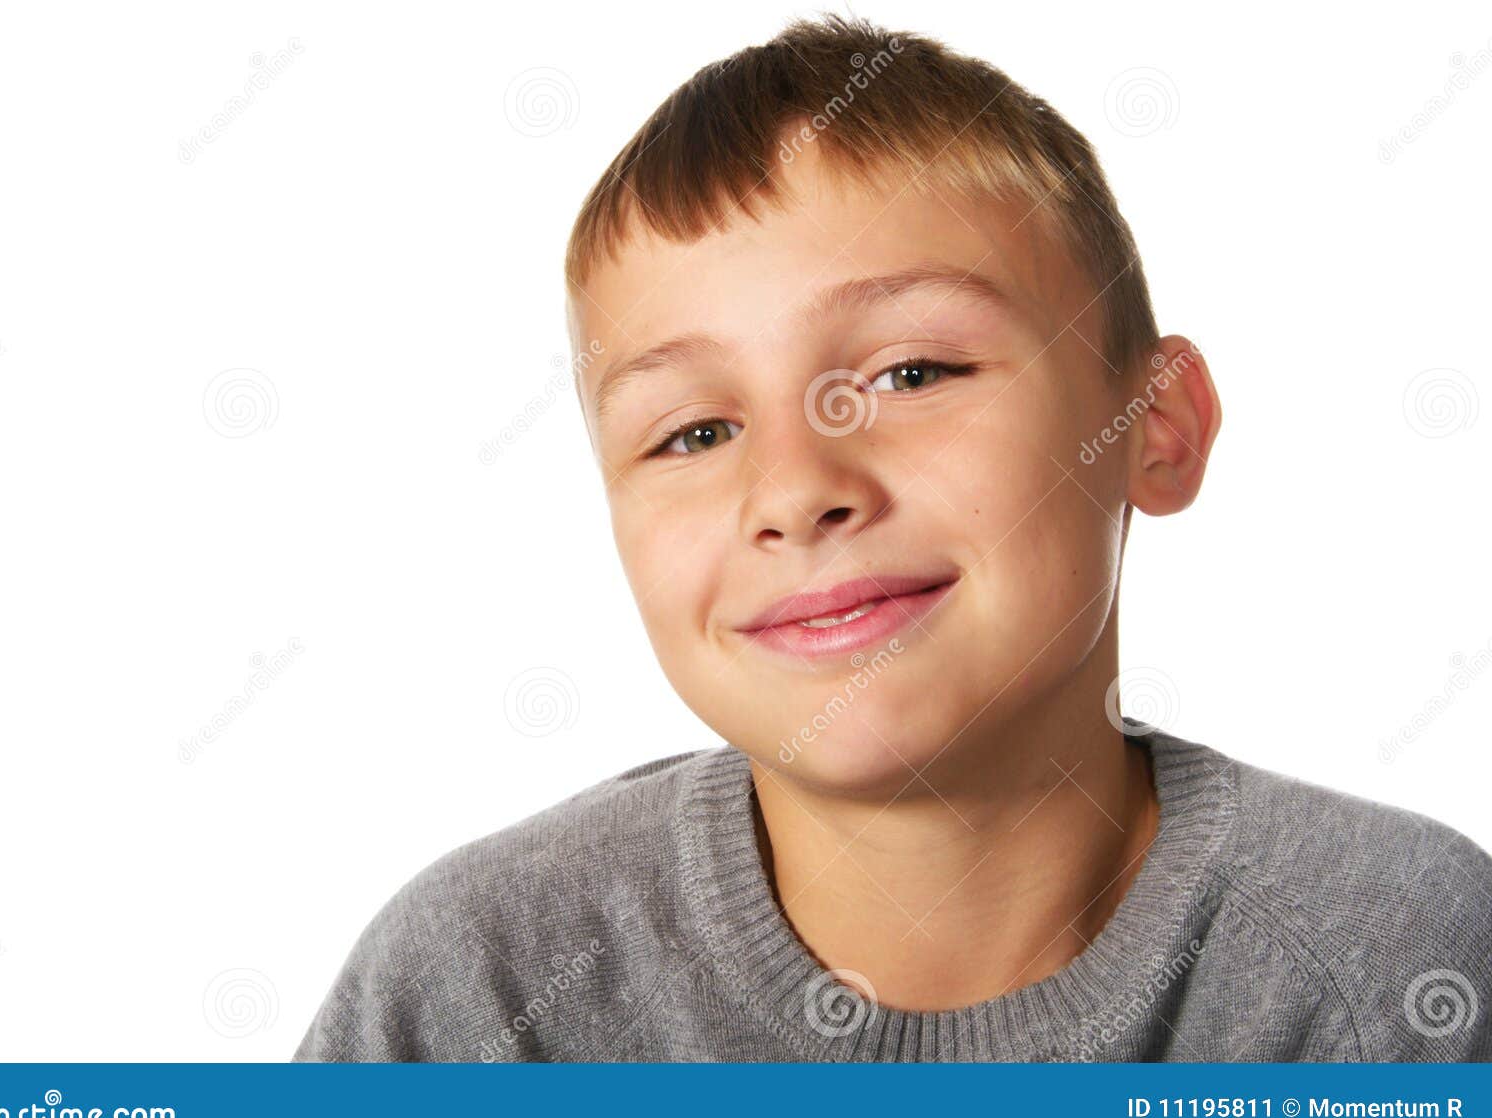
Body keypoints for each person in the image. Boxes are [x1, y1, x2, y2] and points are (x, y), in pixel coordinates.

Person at [294, 13, 1492, 1062]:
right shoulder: (477, 987)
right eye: (695, 432)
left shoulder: (1394, 963)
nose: (795, 488)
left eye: (912, 370)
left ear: (1155, 424)